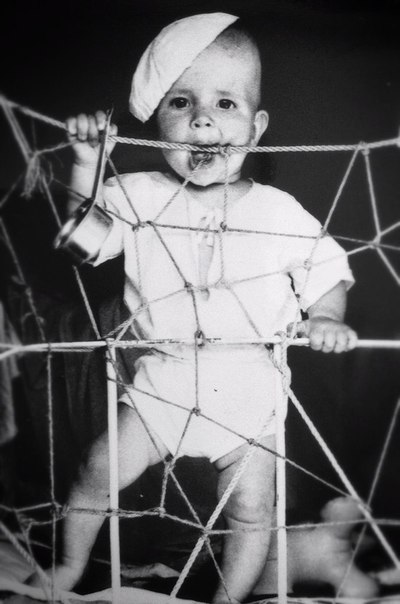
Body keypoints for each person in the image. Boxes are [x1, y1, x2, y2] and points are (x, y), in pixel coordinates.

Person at [31, 13, 357, 604]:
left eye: (225, 103)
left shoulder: (280, 210)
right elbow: (81, 244)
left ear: (256, 127)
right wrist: (85, 165)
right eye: (182, 103)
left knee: (254, 509)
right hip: (165, 380)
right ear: (158, 123)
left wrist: (327, 316)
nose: (202, 119)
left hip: (249, 389)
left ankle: (229, 599)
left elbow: (327, 269)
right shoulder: (137, 194)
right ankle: (68, 567)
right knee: (96, 469)